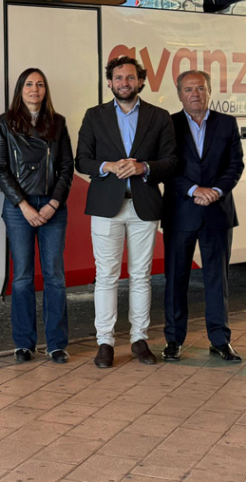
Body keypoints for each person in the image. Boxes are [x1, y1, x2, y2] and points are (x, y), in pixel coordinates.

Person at [75, 55, 177, 369]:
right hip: (107, 206)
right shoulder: (95, 116)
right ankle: (104, 342)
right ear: (109, 82)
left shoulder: (159, 117)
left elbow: (172, 161)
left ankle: (139, 340)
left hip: (144, 205)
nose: (124, 83)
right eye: (118, 78)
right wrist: (106, 166)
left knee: (141, 276)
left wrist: (143, 166)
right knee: (105, 276)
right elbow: (82, 161)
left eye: (130, 78)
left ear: (141, 82)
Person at [161, 70, 244, 361]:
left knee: (217, 279)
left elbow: (236, 165)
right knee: (175, 279)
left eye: (200, 88)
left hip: (217, 211)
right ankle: (173, 339)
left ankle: (220, 340)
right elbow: (167, 168)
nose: (194, 94)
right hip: (180, 211)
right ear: (179, 93)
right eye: (188, 89)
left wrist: (217, 191)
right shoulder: (167, 125)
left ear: (209, 91)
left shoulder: (227, 124)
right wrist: (195, 189)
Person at [0, 68, 73, 363]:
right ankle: (24, 344)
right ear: (20, 89)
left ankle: (56, 344)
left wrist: (53, 204)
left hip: (53, 206)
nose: (34, 89)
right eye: (29, 84)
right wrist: (23, 205)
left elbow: (67, 168)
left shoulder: (58, 123)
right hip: (18, 209)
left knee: (54, 277)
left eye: (39, 84)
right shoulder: (5, 123)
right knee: (22, 278)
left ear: (45, 90)